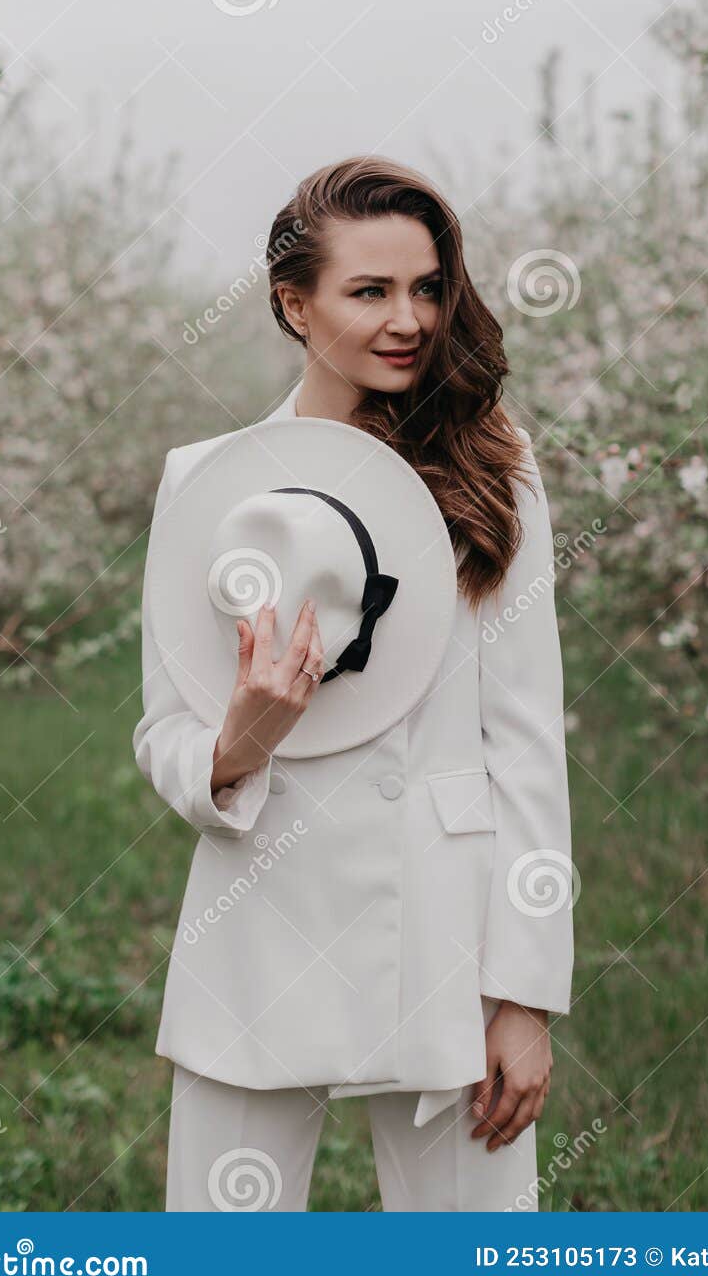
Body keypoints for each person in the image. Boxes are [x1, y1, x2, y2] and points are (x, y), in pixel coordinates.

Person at [133, 155, 574, 1211]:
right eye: (369, 291)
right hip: (257, 922)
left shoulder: (493, 467)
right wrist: (240, 741)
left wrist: (523, 991)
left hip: (447, 931)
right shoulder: (209, 482)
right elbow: (162, 731)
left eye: (427, 288)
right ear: (295, 301)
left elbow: (524, 744)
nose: (408, 319)